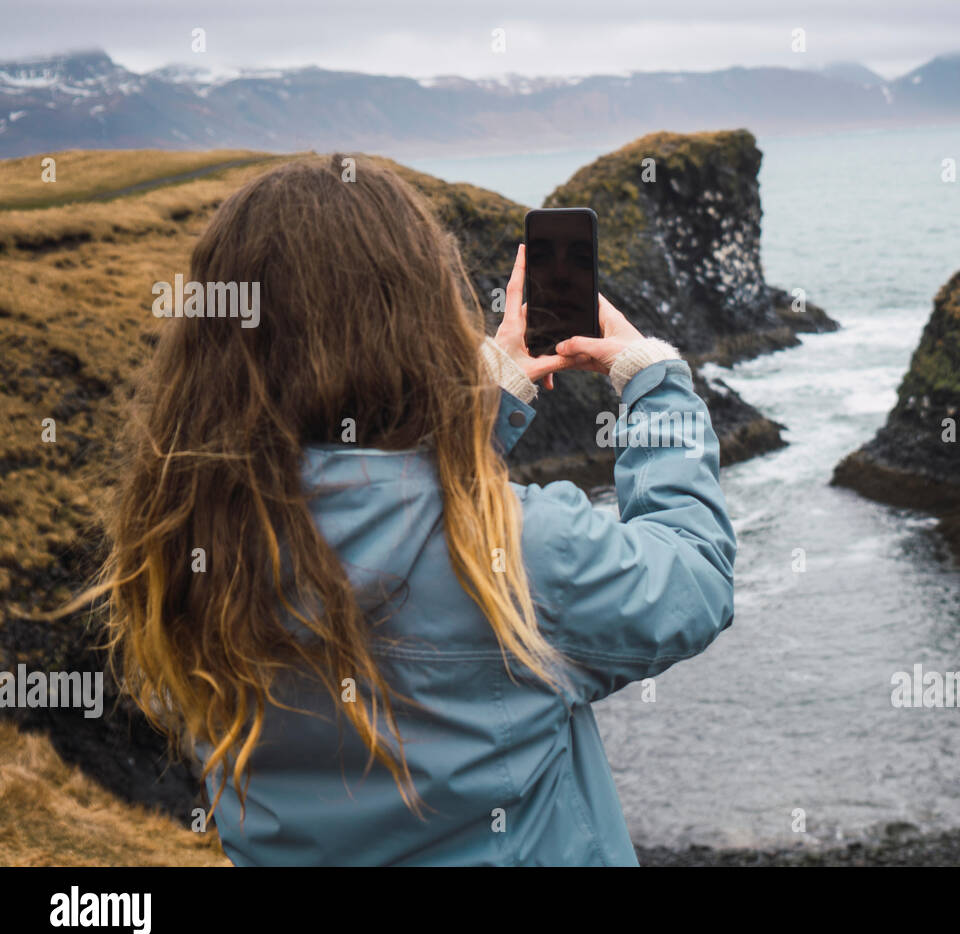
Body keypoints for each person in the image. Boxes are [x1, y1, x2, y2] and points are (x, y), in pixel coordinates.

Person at [77, 155, 736, 865]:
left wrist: (487, 398)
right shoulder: (517, 555)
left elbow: (365, 505)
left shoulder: (185, 542)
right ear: (417, 323)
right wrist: (654, 383)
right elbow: (692, 576)